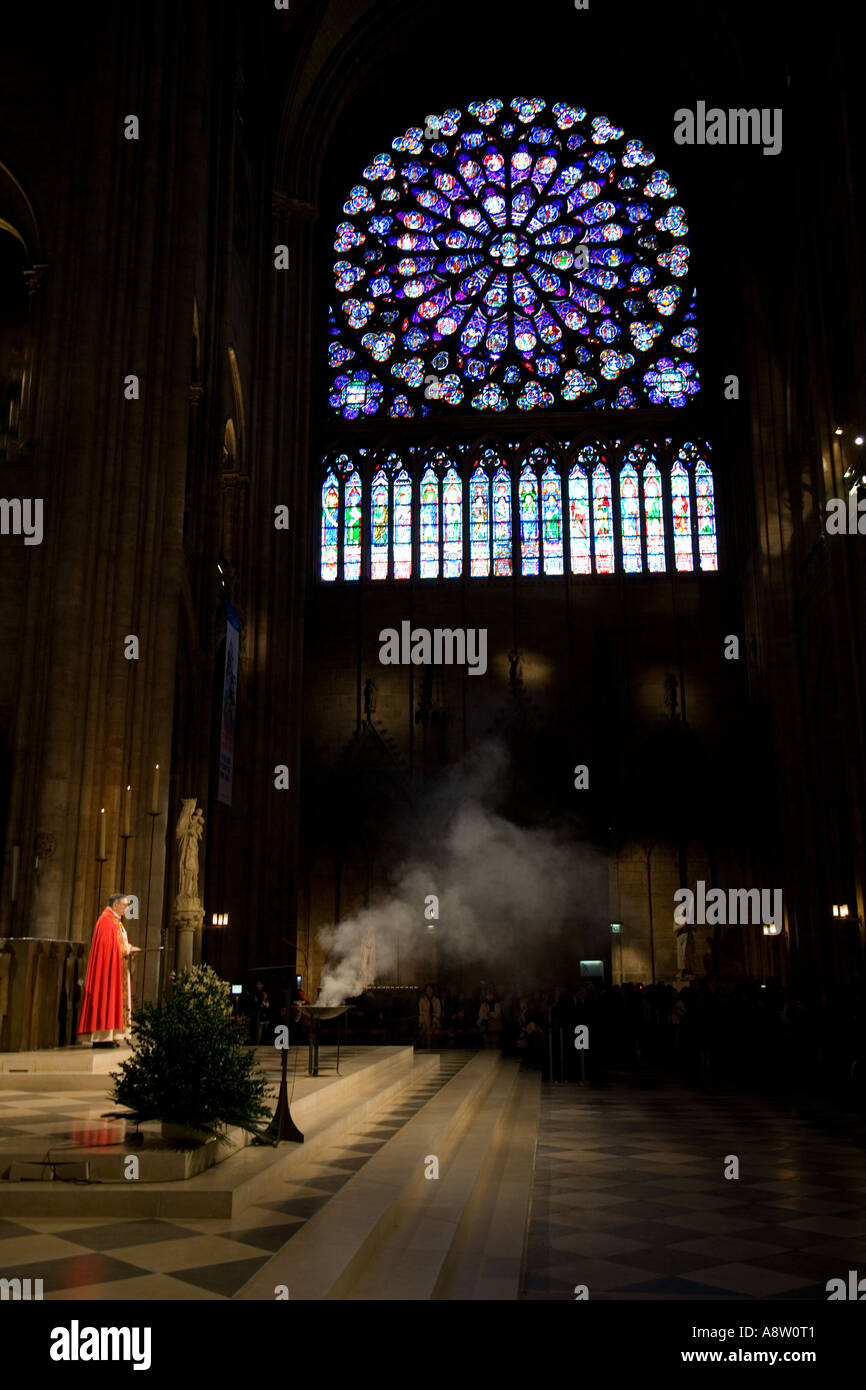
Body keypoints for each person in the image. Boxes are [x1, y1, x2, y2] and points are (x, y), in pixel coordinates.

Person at [77, 894, 141, 1048]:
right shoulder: (106, 922)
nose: (126, 909)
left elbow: (117, 944)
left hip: (117, 969)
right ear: (115, 905)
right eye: (124, 905)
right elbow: (108, 950)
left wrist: (129, 948)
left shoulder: (115, 922)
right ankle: (102, 1038)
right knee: (106, 998)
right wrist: (127, 949)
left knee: (114, 1001)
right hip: (107, 973)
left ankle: (111, 1036)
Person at [418, 983, 441, 1050]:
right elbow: (420, 1013)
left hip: (434, 1022)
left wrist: (434, 1023)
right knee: (423, 1036)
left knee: (435, 1035)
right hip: (425, 1021)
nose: (429, 992)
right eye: (428, 990)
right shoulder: (422, 1000)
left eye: (430, 990)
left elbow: (438, 1012)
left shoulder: (436, 1000)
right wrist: (422, 1023)